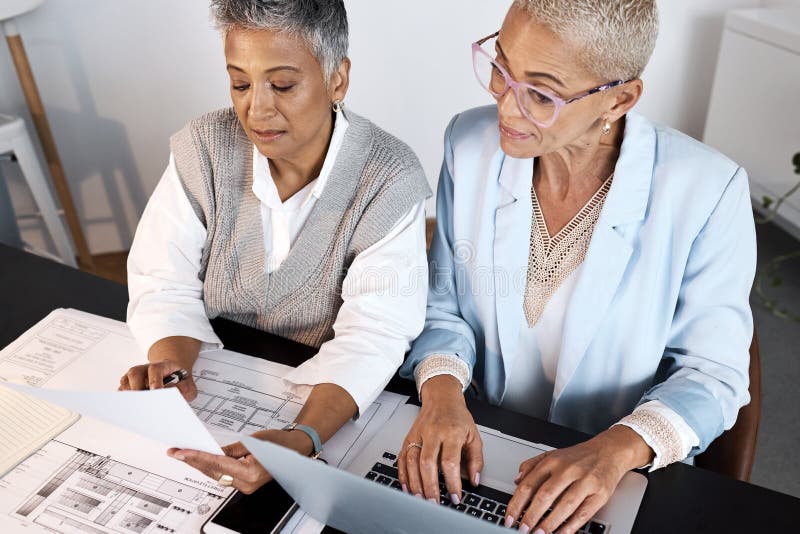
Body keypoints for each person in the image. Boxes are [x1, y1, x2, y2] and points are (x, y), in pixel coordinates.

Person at [398, 1, 756, 533]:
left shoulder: (708, 192)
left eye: (540, 94)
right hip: (483, 448)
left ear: (620, 97)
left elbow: (714, 374)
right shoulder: (468, 144)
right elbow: (443, 302)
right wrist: (443, 393)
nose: (506, 107)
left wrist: (615, 451)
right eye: (500, 69)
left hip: (615, 477)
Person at [120, 0, 430, 494]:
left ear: (337, 81)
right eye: (240, 83)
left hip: (320, 399)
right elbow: (163, 277)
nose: (256, 108)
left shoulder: (388, 178)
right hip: (222, 384)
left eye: (282, 85)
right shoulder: (205, 146)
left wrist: (302, 437)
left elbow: (377, 331)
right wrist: (172, 365)